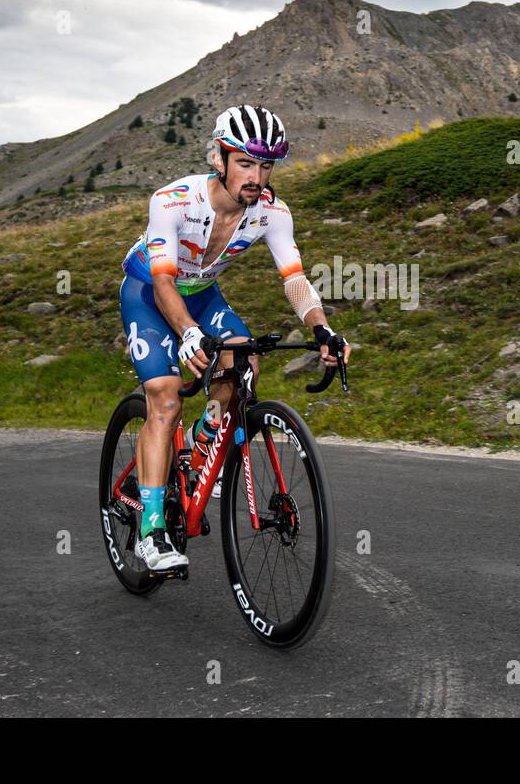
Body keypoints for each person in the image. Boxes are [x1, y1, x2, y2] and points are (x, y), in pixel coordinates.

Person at [118, 105, 351, 571]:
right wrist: (187, 335)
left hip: (202, 293)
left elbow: (295, 279)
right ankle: (151, 531)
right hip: (148, 291)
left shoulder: (271, 212)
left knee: (243, 363)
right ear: (218, 160)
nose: (257, 176)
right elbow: (164, 282)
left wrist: (321, 327)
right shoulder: (174, 201)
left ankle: (203, 446)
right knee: (165, 400)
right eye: (246, 162)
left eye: (266, 165)